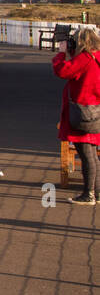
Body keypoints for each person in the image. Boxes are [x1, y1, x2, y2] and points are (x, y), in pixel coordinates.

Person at [54, 27, 100, 204]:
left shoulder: (85, 58)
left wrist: (61, 54)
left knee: (86, 154)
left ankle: (88, 194)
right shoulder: (96, 57)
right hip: (95, 111)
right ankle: (97, 192)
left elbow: (63, 71)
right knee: (93, 155)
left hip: (82, 113)